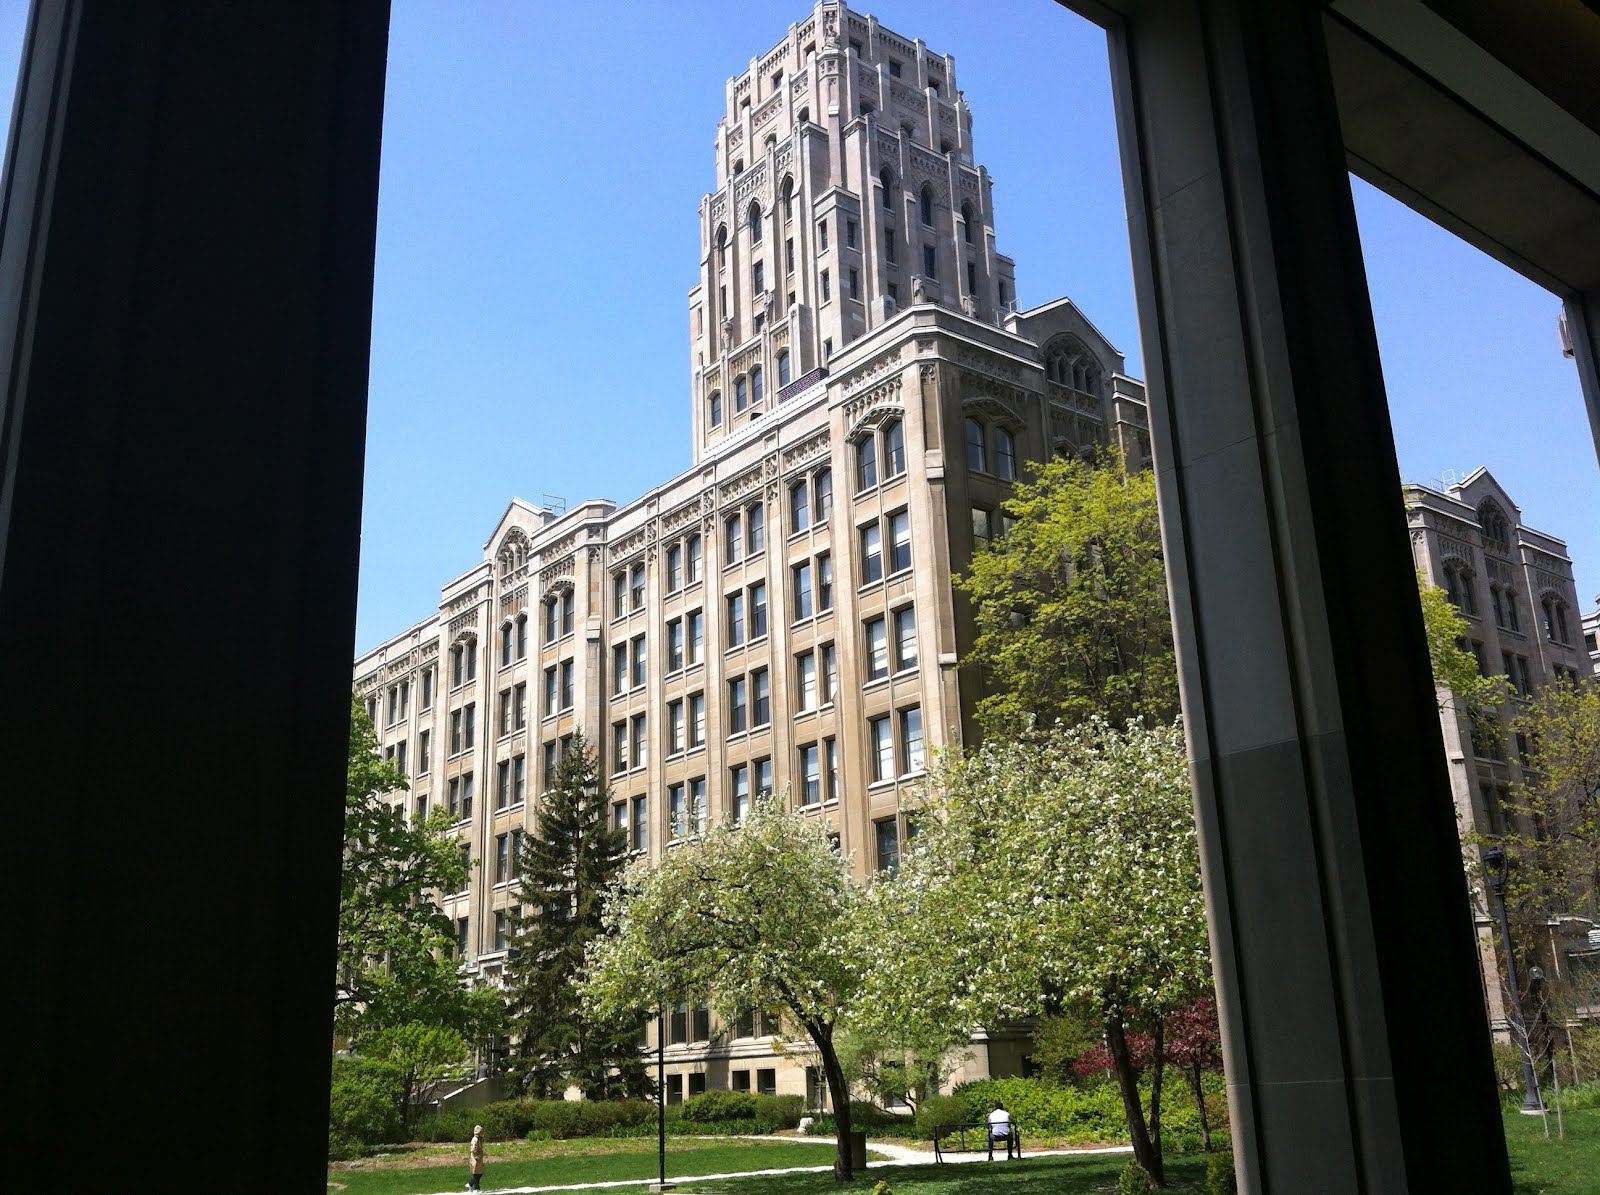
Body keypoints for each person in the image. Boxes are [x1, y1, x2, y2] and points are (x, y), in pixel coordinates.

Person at [466, 1124, 485, 1191]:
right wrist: (477, 1156)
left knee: (479, 1173)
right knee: (477, 1174)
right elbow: (474, 1149)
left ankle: (472, 1186)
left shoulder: (478, 1139)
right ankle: (475, 1188)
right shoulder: (475, 1139)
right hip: (476, 1158)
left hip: (478, 1158)